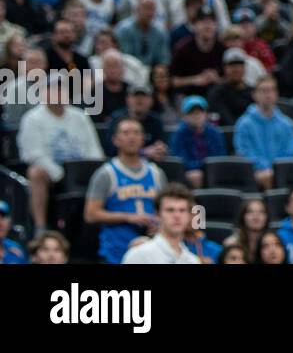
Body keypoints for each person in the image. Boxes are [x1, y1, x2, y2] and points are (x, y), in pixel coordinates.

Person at [84, 117, 167, 263]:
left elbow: (167, 209)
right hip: (116, 251)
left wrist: (159, 224)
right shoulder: (106, 173)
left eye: (136, 133)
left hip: (152, 250)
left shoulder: (156, 173)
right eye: (126, 133)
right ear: (116, 140)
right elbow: (91, 214)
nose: (132, 137)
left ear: (143, 139)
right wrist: (129, 217)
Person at [17, 95, 105, 232]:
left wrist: (90, 170)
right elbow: (33, 155)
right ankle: (40, 227)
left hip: (80, 171)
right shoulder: (32, 118)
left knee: (107, 171)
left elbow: (94, 150)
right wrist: (59, 173)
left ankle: (101, 223)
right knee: (35, 173)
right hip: (52, 174)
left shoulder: (80, 116)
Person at [234, 76, 293, 188]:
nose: (268, 94)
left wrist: (277, 169)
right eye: (263, 91)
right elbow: (244, 151)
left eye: (272, 90)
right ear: (254, 94)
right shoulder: (244, 123)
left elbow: (291, 150)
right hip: (253, 173)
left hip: (282, 172)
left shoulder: (286, 123)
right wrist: (264, 168)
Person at [121, 184, 202, 264]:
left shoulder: (193, 261)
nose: (177, 216)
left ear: (189, 215)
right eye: (170, 210)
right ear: (158, 215)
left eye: (182, 210)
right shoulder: (138, 255)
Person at [170, 95, 227, 188]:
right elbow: (180, 160)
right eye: (192, 113)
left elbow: (220, 156)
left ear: (206, 114)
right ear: (184, 116)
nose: (196, 116)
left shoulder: (215, 132)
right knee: (196, 176)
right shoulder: (179, 134)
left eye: (200, 112)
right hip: (188, 172)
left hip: (213, 170)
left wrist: (204, 167)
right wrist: (201, 166)